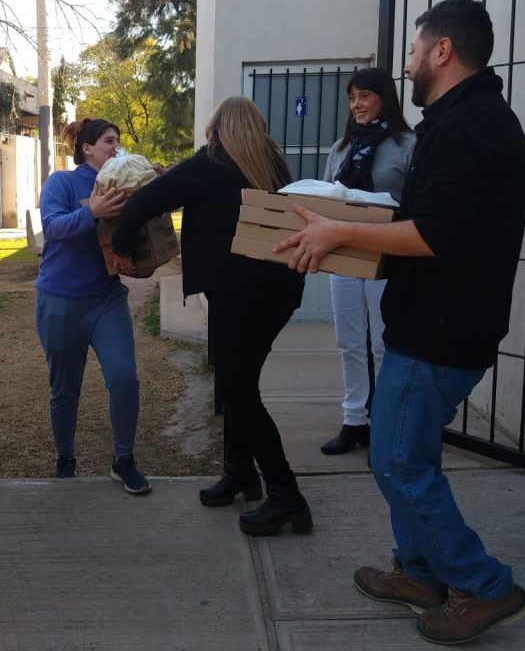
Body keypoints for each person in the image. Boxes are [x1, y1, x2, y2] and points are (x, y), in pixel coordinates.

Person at [275, 0, 525, 644]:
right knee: (405, 453)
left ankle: (483, 585)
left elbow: (438, 234)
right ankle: (420, 573)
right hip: (436, 320)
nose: (409, 62)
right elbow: (438, 223)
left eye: (416, 49)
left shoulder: (467, 127)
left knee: (398, 463)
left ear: (442, 51)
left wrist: (338, 229)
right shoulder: (465, 120)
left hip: (442, 329)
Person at [110, 96, 308, 536]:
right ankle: (240, 473)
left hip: (239, 294)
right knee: (236, 382)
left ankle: (286, 495)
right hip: (279, 292)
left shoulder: (211, 164)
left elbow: (144, 203)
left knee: (239, 391)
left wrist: (122, 245)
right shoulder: (270, 164)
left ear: (217, 130)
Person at [34, 118, 151, 495]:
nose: (117, 148)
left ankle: (123, 460)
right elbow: (51, 228)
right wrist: (92, 211)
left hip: (105, 297)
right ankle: (66, 459)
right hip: (60, 300)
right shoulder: (63, 183)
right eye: (109, 141)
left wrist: (155, 184)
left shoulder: (124, 183)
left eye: (118, 142)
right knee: (65, 390)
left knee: (124, 377)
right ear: (87, 148)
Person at [319, 69, 415, 456]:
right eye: (352, 97)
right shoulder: (339, 149)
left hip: (386, 259)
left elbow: (416, 206)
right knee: (349, 342)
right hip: (344, 258)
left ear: (384, 99)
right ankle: (354, 419)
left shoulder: (409, 145)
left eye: (365, 96)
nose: (356, 105)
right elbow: (326, 199)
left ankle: (386, 424)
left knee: (383, 344)